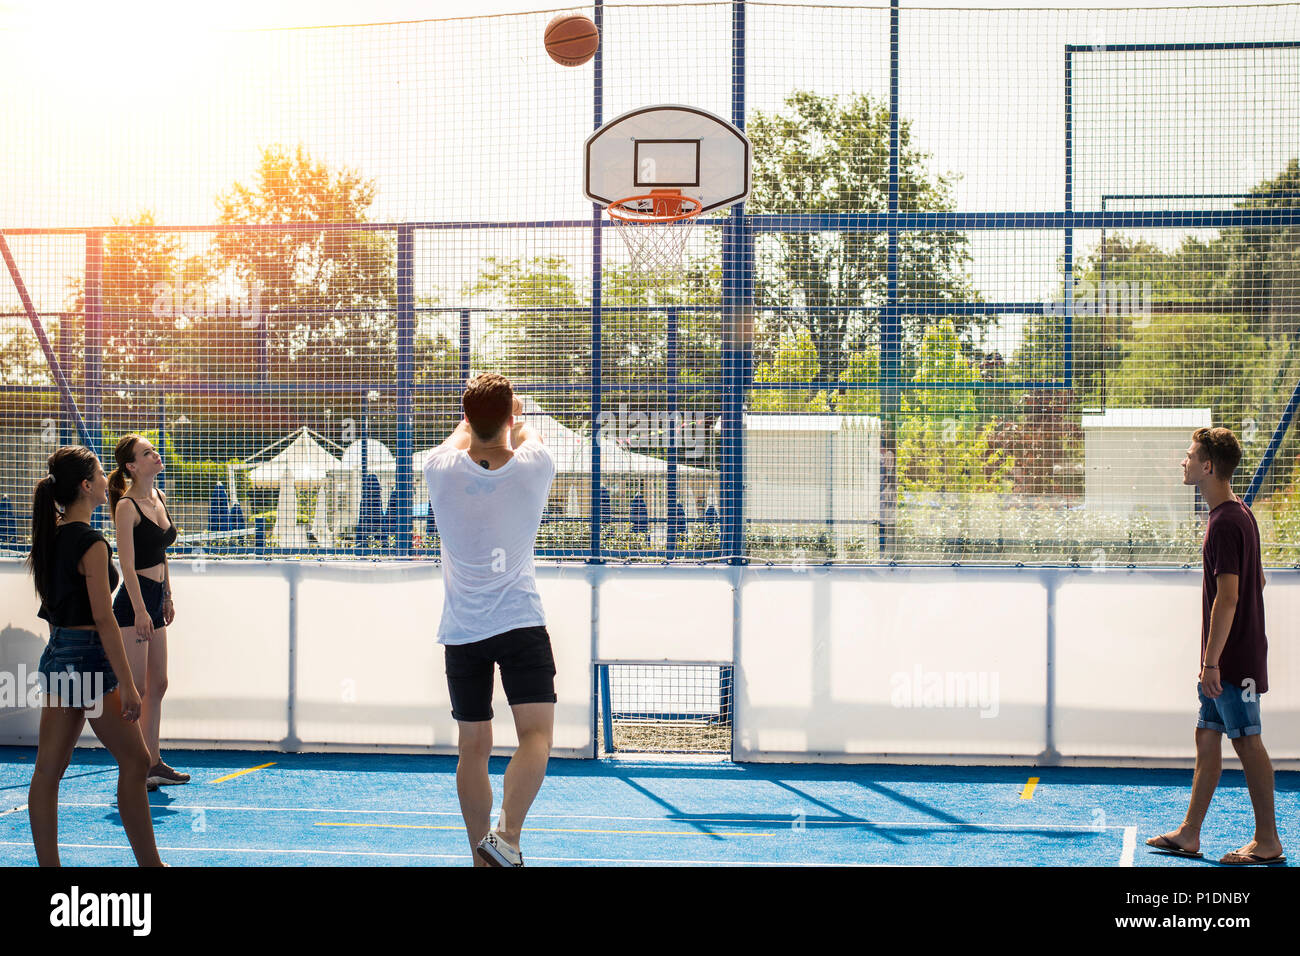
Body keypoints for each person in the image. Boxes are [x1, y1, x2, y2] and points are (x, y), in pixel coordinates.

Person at [423, 374, 557, 867]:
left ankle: (481, 857)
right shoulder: (534, 467)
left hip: (463, 631)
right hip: (521, 623)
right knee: (536, 738)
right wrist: (516, 416)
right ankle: (507, 835)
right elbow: (525, 436)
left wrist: (480, 415)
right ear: (509, 416)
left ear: (466, 415)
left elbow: (462, 436)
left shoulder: (439, 469)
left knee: (473, 746)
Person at [1146, 427, 1285, 865]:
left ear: (1208, 466)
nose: (1183, 462)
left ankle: (1268, 842)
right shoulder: (1238, 513)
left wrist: (1211, 662)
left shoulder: (1226, 522)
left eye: (1189, 456)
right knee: (1207, 737)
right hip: (1229, 656)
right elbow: (1257, 582)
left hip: (1230, 660)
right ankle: (1190, 833)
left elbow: (1229, 597)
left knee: (1248, 742)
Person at [26, 446, 164, 867]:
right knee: (137, 760)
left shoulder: (52, 536)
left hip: (61, 654)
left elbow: (55, 612)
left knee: (49, 770)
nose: (108, 480)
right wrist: (127, 684)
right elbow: (105, 622)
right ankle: (151, 865)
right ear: (86, 486)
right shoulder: (91, 543)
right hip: (86, 660)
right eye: (102, 474)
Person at [109, 434, 189, 790]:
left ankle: (153, 763)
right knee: (136, 690)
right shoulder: (126, 506)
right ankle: (133, 767)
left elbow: (161, 554)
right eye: (147, 453)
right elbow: (126, 564)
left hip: (156, 599)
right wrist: (141, 610)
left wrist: (167, 596)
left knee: (158, 684)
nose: (156, 455)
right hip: (134, 603)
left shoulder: (159, 496)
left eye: (154, 451)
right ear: (131, 466)